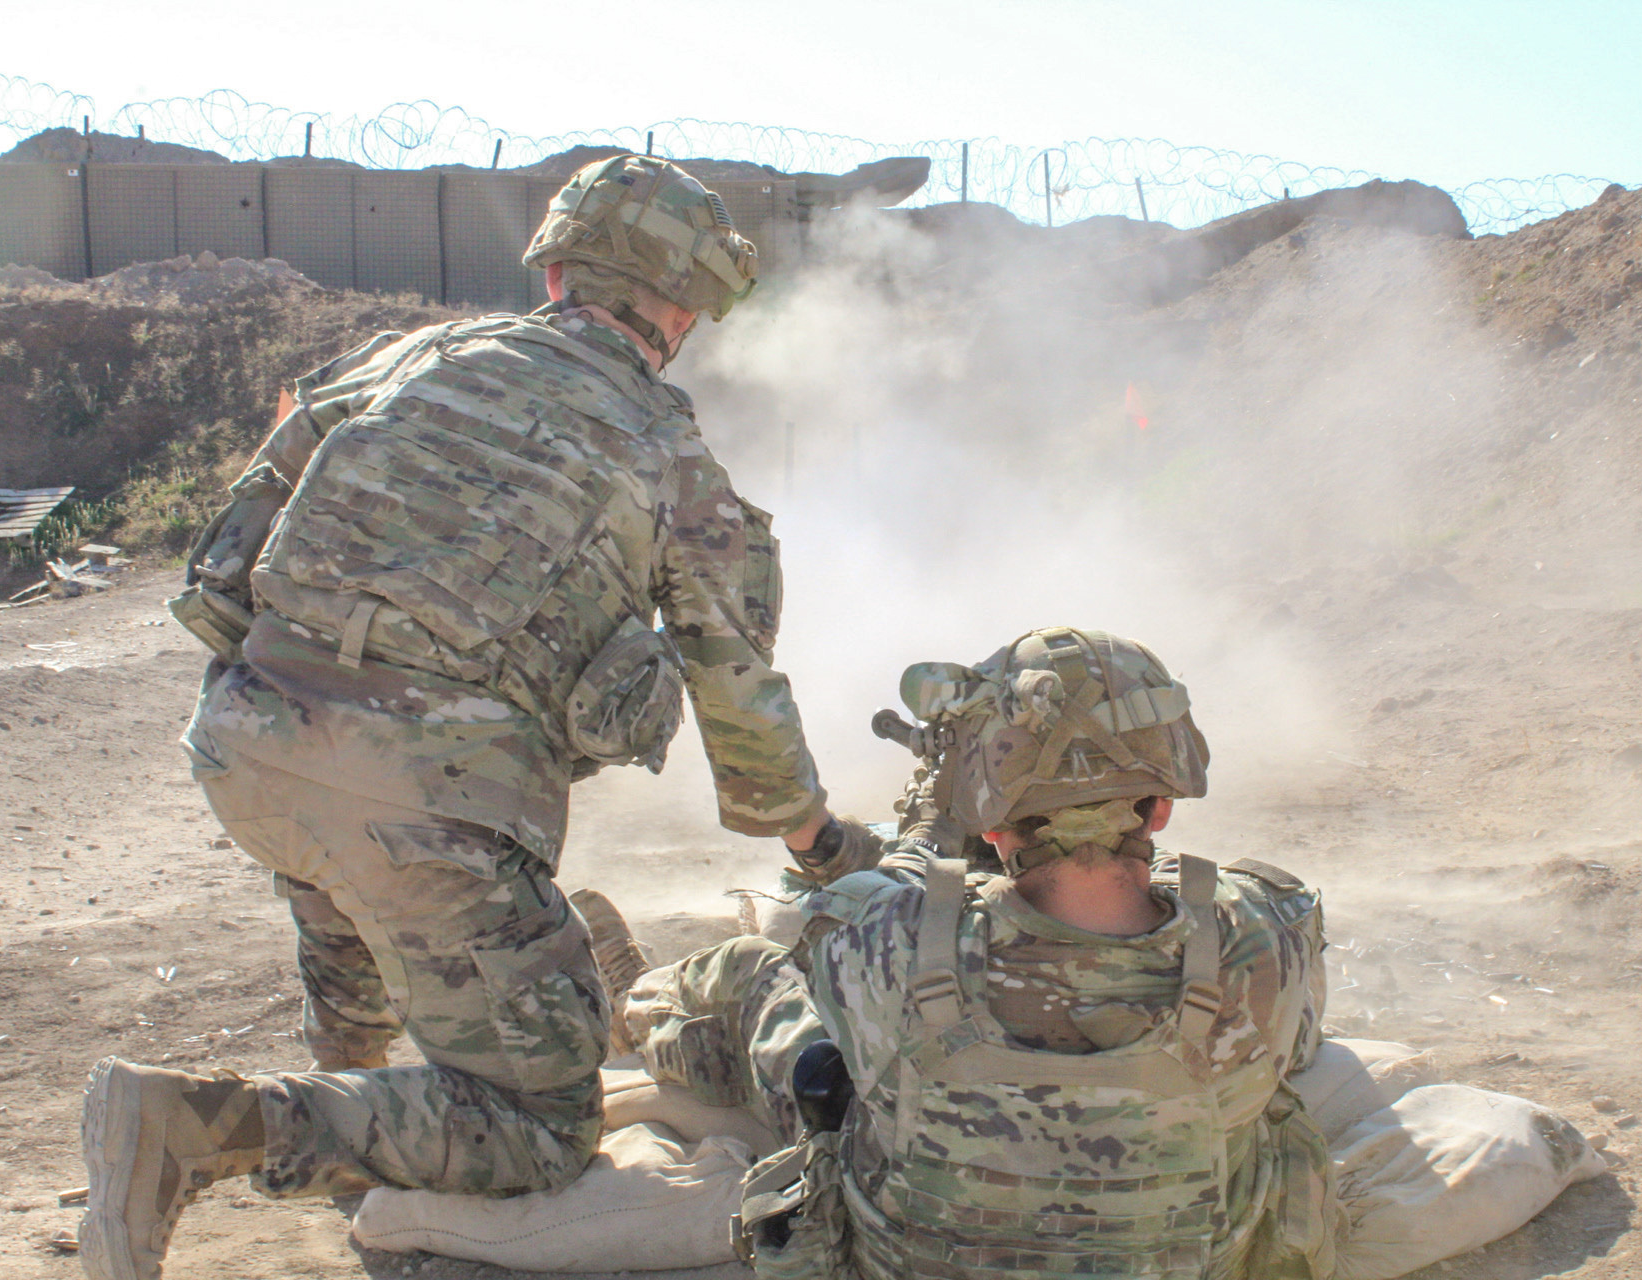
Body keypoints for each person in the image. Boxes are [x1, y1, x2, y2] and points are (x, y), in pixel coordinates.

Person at [78, 155, 841, 1280]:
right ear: (679, 305)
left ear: (559, 270)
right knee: (538, 1125)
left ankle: (354, 1087)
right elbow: (734, 681)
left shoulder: (409, 356)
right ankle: (200, 1126)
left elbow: (225, 565)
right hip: (426, 808)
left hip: (247, 738)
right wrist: (813, 836)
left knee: (342, 861)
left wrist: (313, 686)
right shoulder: (668, 449)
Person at [620, 626, 1341, 1280]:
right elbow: (1296, 1025)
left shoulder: (891, 940)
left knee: (758, 979)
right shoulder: (1255, 942)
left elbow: (870, 903)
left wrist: (934, 827)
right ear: (1161, 809)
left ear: (991, 826)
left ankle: (632, 1004)